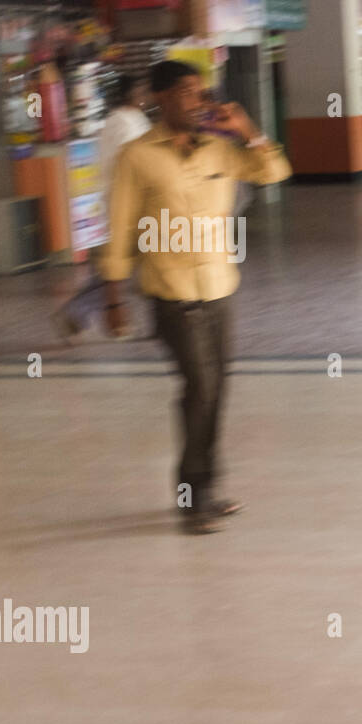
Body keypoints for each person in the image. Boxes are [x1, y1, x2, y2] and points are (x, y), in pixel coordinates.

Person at [100, 60, 291, 534]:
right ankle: (193, 495)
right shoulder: (136, 156)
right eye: (187, 92)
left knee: (213, 390)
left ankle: (204, 486)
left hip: (220, 291)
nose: (198, 100)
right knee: (201, 389)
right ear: (161, 98)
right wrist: (113, 297)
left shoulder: (219, 150)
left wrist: (246, 128)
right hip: (171, 294)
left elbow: (274, 171)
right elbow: (122, 227)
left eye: (201, 92)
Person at [53, 74, 152, 341]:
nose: (145, 94)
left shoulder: (120, 120)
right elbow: (134, 164)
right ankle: (76, 313)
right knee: (120, 267)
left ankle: (77, 314)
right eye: (141, 89)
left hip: (124, 202)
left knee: (123, 266)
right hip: (127, 204)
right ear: (131, 93)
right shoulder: (124, 123)